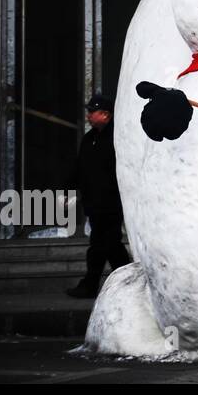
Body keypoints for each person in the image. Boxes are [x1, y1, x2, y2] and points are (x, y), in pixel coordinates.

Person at [67, 93, 131, 298]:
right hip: (94, 202)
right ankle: (128, 284)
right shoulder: (90, 138)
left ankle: (94, 284)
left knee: (104, 244)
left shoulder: (117, 138)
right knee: (107, 244)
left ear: (105, 115)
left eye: (92, 112)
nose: (88, 115)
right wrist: (69, 188)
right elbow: (80, 167)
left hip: (111, 202)